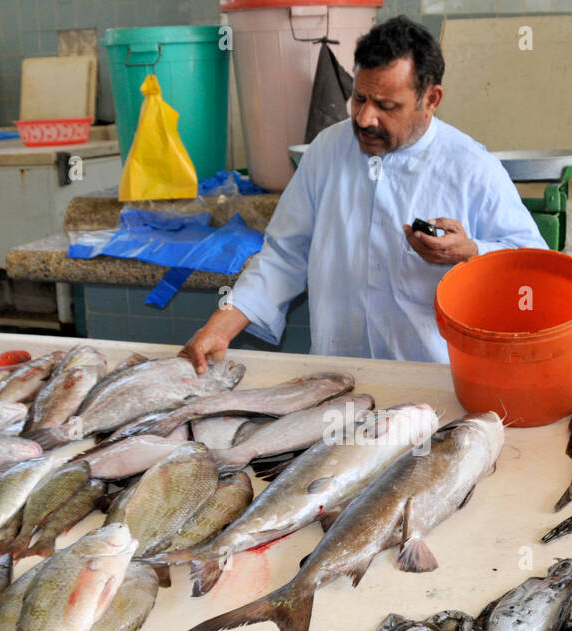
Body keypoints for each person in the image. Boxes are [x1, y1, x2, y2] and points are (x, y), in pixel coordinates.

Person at [181, 15, 546, 371]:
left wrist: (472, 253)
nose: (364, 119)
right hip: (337, 379)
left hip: (432, 388)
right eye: (359, 98)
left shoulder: (471, 168)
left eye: (387, 106)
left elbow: (536, 270)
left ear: (431, 99)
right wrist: (220, 327)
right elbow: (283, 255)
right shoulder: (327, 151)